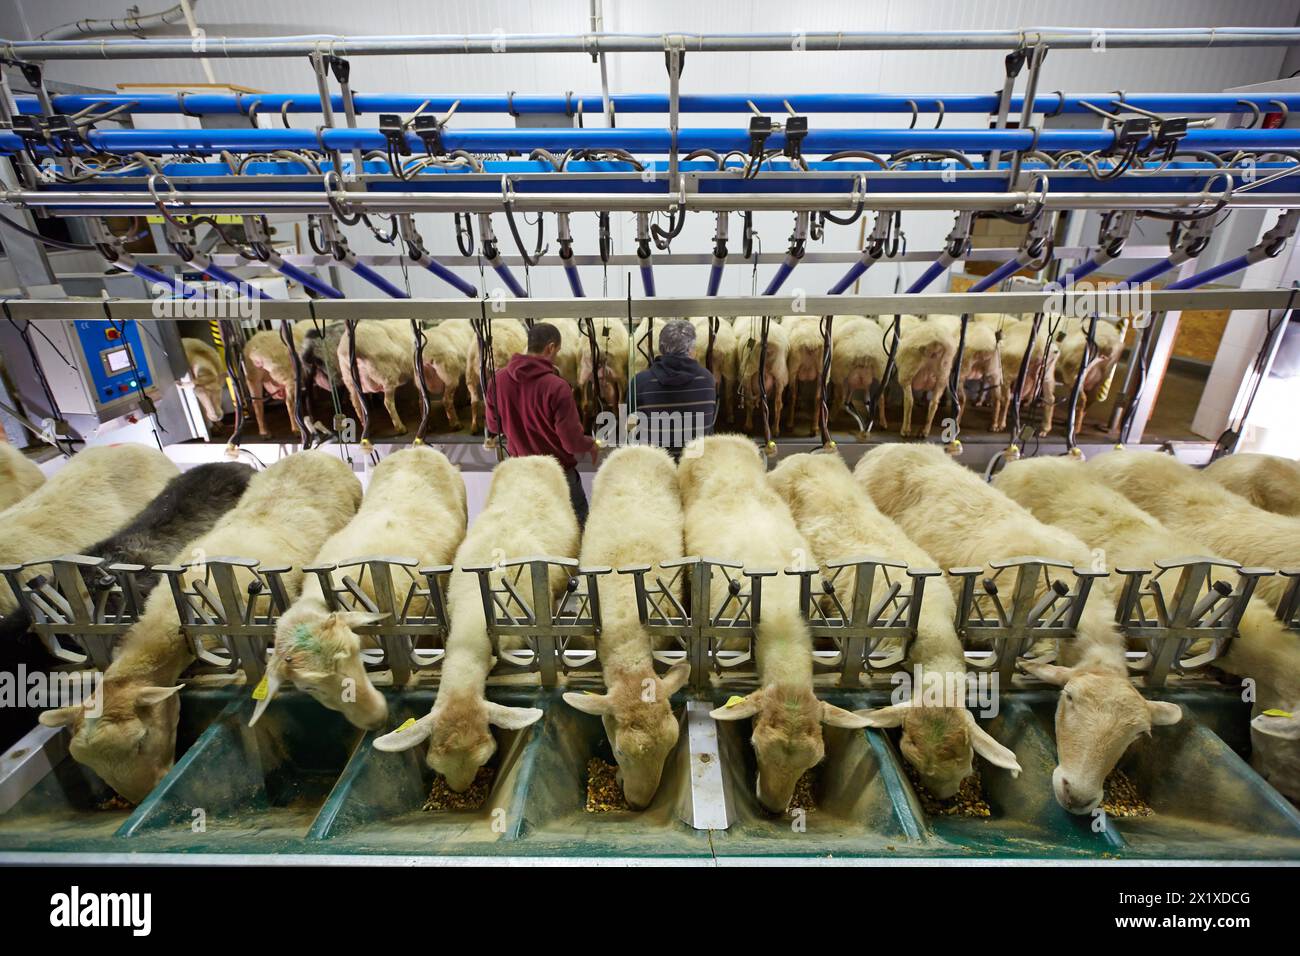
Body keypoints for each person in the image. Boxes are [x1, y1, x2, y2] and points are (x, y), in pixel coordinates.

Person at [487, 321, 598, 525]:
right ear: (550, 348)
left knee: (534, 527)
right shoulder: (557, 387)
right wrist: (590, 444)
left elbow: (494, 427)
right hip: (558, 475)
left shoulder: (497, 381)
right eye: (557, 351)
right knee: (579, 524)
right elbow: (570, 442)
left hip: (522, 472)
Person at [629, 319, 717, 459]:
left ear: (661, 349)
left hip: (655, 466)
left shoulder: (640, 382)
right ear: (692, 350)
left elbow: (629, 427)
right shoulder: (708, 379)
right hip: (695, 466)